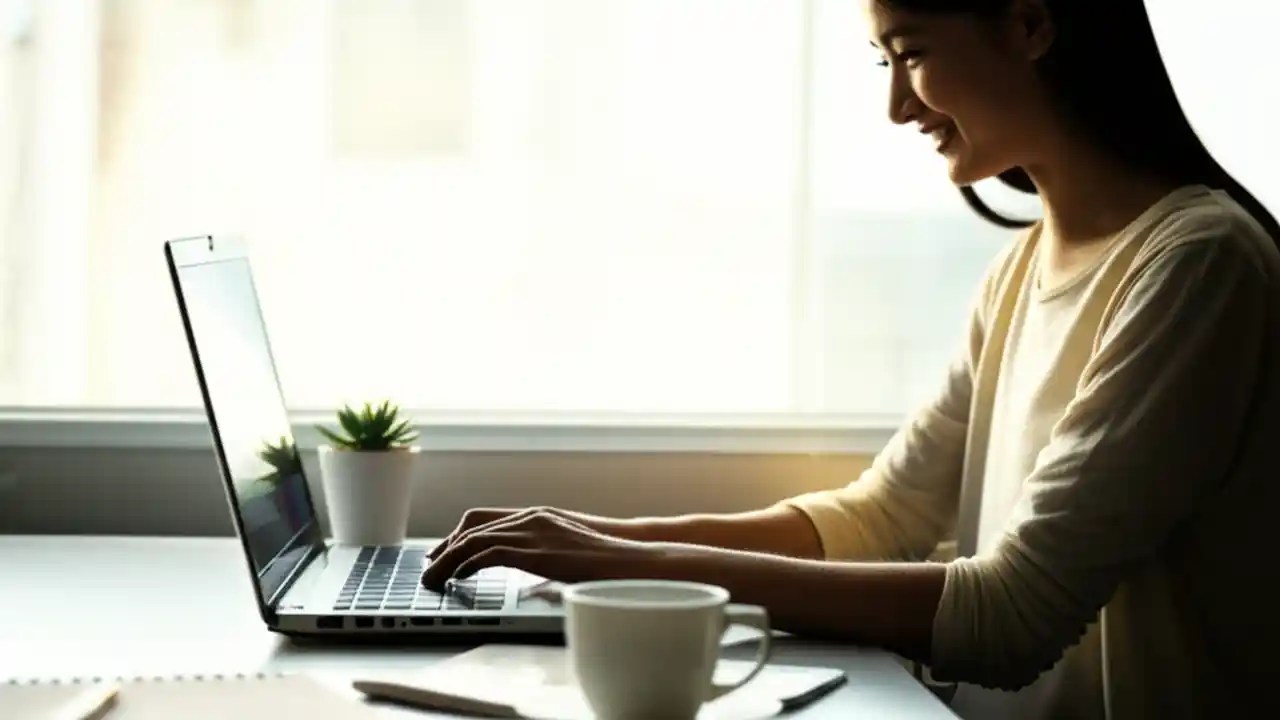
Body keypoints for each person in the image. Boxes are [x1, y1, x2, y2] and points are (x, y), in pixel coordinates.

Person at [421, 1, 1280, 716]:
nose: (899, 107)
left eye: (911, 53)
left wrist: (621, 568)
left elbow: (1012, 615)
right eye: (885, 64)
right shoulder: (1021, 270)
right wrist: (590, 537)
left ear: (1029, 24)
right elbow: (881, 517)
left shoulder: (1200, 264)